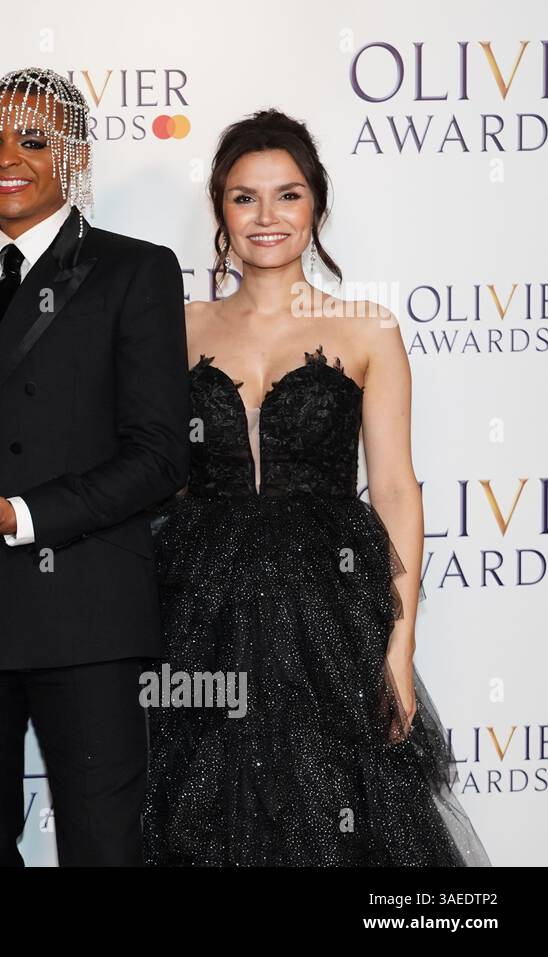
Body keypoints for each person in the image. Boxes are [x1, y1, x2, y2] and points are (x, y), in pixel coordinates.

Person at [143, 109, 488, 865]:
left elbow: (393, 490)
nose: (266, 216)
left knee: (337, 812)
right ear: (220, 210)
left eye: (288, 195)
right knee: (202, 810)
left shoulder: (367, 329)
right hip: (199, 608)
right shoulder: (175, 327)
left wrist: (400, 646)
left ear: (317, 206)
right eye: (244, 197)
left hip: (326, 613)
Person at [0, 68, 190, 866]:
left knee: (103, 849)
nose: (6, 157)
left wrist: (21, 513)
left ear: (77, 155)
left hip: (86, 614)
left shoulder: (135, 271)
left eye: (34, 139)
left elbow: (161, 455)